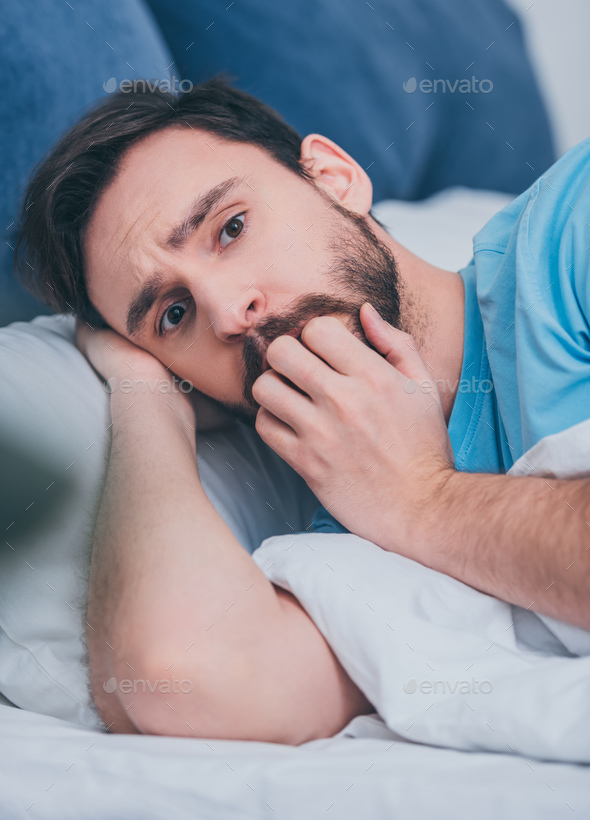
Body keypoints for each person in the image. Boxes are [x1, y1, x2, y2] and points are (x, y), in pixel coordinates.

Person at [14, 78, 590, 743]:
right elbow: (189, 678)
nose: (229, 314)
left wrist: (426, 501)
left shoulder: (567, 237)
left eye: (230, 228)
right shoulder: (358, 523)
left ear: (335, 178)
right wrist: (142, 397)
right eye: (174, 316)